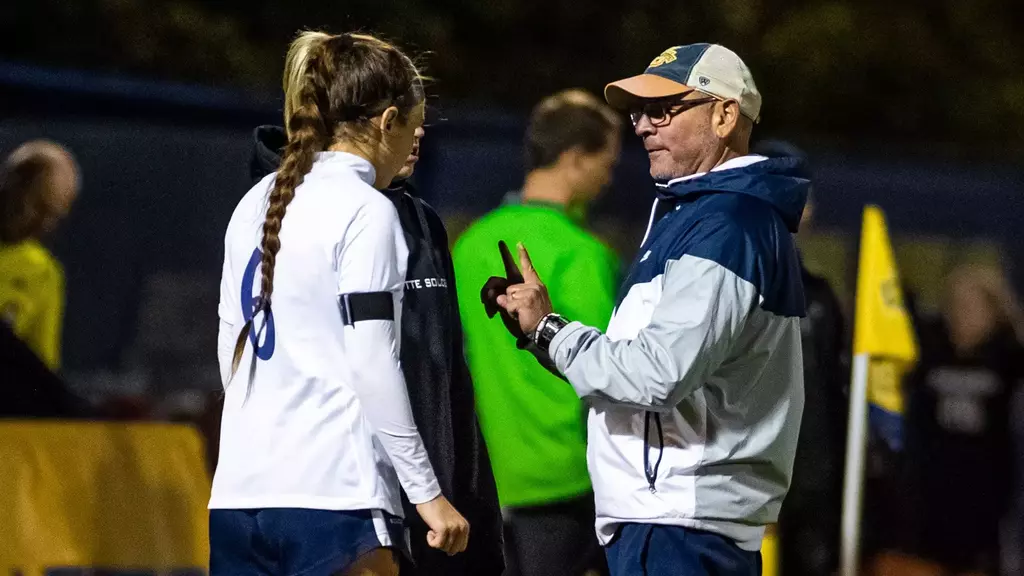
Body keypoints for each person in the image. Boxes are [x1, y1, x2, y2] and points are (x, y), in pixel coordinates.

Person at [489, 44, 809, 576]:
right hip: (672, 520)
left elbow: (656, 375)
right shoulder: (703, 214)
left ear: (725, 114)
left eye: (662, 110)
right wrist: (546, 333)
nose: (641, 127)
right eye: (638, 112)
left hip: (681, 525)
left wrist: (552, 330)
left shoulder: (729, 221)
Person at [210, 31, 469, 576]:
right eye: (413, 124)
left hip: (238, 499)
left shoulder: (252, 203)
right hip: (334, 498)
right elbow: (373, 360)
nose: (415, 140)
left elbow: (230, 354)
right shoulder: (366, 210)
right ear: (387, 121)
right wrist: (427, 494)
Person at [453, 89, 621, 576]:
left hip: (491, 476)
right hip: (568, 476)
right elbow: (607, 368)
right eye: (605, 164)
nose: (609, 179)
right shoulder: (583, 253)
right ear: (573, 159)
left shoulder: (469, 244)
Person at [754, 139, 848, 576]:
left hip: (813, 486)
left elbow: (835, 391)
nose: (806, 208)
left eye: (808, 195)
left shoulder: (822, 296)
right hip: (746, 487)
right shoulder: (725, 284)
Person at [902, 263, 1023, 575]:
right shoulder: (931, 358)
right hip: (936, 506)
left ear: (993, 309)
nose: (960, 314)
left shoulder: (1009, 360)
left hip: (991, 509)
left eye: (970, 306)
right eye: (953, 305)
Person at [0, 140, 79, 372]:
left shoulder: (43, 274)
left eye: (52, 214)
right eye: (38, 206)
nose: (43, 223)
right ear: (11, 186)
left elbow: (41, 372)